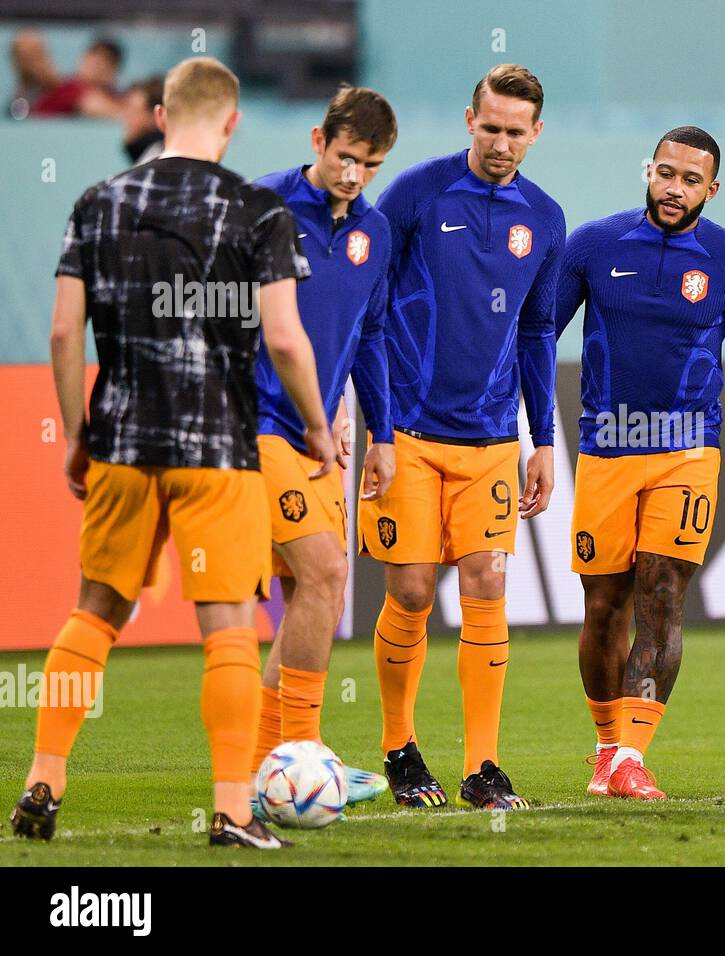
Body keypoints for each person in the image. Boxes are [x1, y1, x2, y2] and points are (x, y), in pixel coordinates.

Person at [8, 56, 331, 849]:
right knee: (227, 626)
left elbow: (60, 330)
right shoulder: (257, 210)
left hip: (121, 440)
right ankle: (231, 810)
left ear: (158, 116)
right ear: (232, 122)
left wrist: (76, 432)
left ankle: (43, 785)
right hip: (219, 449)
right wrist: (318, 426)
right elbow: (286, 338)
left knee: (94, 614)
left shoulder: (98, 202)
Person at [556, 127, 725, 799]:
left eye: (690, 180)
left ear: (711, 190)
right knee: (604, 607)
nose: (674, 188)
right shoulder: (594, 246)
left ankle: (632, 753)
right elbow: (540, 333)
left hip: (689, 450)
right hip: (605, 449)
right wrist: (535, 428)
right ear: (647, 171)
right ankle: (606, 749)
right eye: (665, 173)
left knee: (661, 595)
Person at [359, 64, 564, 810]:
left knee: (488, 586)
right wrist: (376, 424)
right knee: (411, 592)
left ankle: (483, 767)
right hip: (408, 433)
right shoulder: (416, 192)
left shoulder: (545, 217)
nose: (502, 142)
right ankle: (401, 749)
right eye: (491, 126)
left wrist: (542, 437)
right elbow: (368, 305)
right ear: (468, 119)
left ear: (536, 133)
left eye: (516, 131)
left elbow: (539, 329)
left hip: (491, 442)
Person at [248, 85, 399, 812]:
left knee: (308, 590)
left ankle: (267, 762)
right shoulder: (262, 205)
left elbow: (370, 336)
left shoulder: (377, 232)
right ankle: (299, 754)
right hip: (255, 424)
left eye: (368, 165)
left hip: (321, 437)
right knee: (327, 574)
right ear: (318, 139)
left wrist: (383, 435)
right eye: (345, 157)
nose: (353, 176)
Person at [32, 37, 122, 118]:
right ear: (82, 58)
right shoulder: (71, 88)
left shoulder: (111, 93)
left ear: (114, 71)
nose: (97, 65)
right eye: (95, 60)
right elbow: (92, 105)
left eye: (104, 62)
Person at [8, 29, 59, 117]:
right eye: (26, 55)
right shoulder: (19, 102)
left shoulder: (69, 91)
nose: (34, 60)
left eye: (37, 52)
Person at [121, 75, 164, 165]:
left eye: (134, 111)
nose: (125, 116)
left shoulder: (157, 157)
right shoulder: (147, 154)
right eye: (126, 108)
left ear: (155, 116)